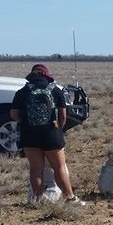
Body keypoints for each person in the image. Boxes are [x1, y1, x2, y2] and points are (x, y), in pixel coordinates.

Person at [10, 64, 84, 206]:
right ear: (46, 75)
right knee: (59, 167)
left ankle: (37, 200)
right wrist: (58, 131)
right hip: (51, 134)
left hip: (29, 135)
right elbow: (63, 116)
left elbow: (13, 114)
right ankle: (70, 198)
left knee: (36, 168)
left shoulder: (22, 92)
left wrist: (25, 122)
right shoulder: (55, 90)